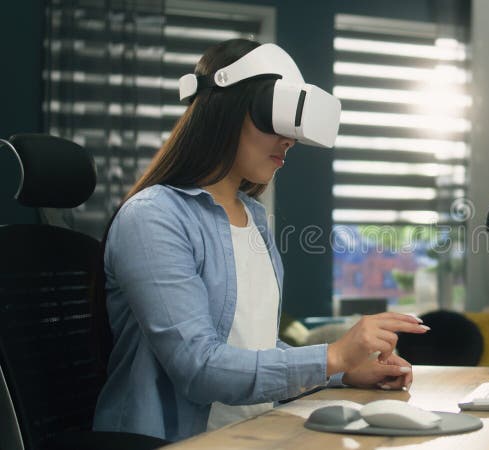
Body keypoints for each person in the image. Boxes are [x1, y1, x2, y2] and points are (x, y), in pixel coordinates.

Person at [92, 39, 429, 442]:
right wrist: (332, 355)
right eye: (274, 118)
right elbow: (198, 367)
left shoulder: (252, 216)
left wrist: (343, 371)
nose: (289, 140)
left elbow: (253, 349)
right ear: (225, 111)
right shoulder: (153, 217)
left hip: (253, 433)